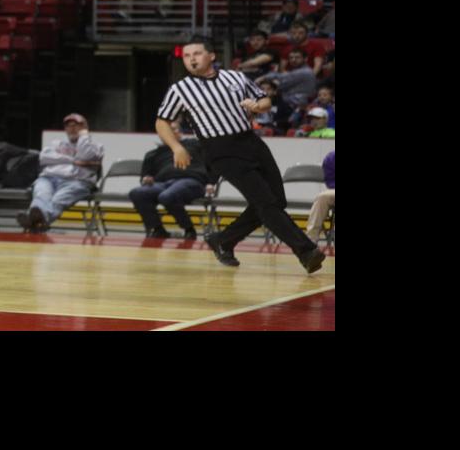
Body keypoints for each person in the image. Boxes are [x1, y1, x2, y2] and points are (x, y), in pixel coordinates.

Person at [155, 37, 323, 274]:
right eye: (187, 55)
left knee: (275, 201)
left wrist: (258, 107)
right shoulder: (180, 89)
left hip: (251, 142)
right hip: (220, 149)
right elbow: (162, 122)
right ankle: (306, 251)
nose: (191, 59)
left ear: (211, 56)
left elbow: (263, 99)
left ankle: (223, 240)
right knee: (266, 203)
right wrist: (177, 147)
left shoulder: (234, 77)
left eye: (197, 53)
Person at [18, 113, 104, 232]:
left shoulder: (96, 147)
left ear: (85, 127)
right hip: (48, 178)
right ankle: (39, 222)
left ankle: (33, 221)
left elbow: (85, 155)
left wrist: (84, 136)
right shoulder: (57, 144)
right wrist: (74, 160)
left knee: (59, 199)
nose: (72, 128)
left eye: (76, 125)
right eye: (69, 126)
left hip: (77, 182)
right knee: (41, 194)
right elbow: (43, 158)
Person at [130, 135, 212, 239]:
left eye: (174, 129)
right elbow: (145, 176)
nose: (170, 132)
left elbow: (213, 162)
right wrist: (146, 179)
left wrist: (211, 182)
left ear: (180, 132)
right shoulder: (153, 154)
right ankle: (158, 230)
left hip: (191, 180)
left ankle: (189, 229)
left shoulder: (194, 144)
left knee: (167, 196)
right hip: (163, 184)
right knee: (137, 193)